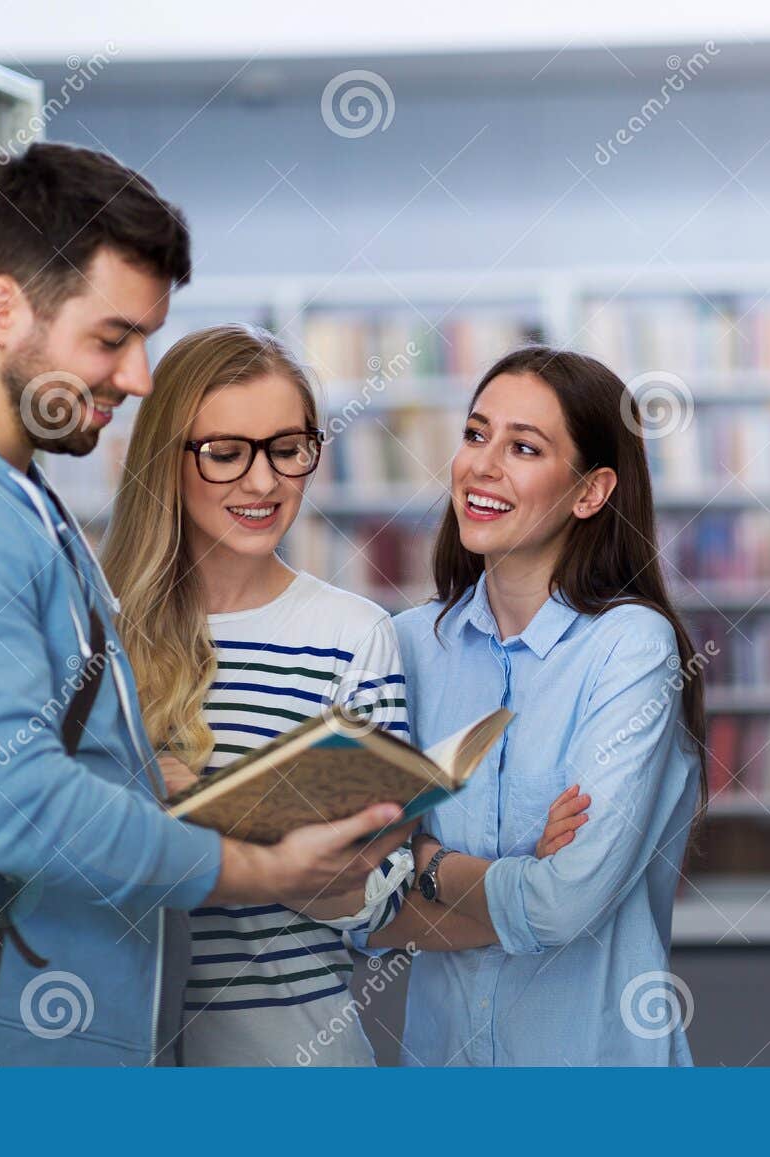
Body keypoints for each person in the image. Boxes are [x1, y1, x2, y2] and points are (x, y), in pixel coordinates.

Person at [0, 142, 410, 1066]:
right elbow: (9, 803)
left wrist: (152, 785)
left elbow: (30, 736)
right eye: (111, 338)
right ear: (0, 309)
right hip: (5, 1034)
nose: (139, 377)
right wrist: (253, 867)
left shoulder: (2, 488)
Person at [100, 323, 589, 1065]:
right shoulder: (94, 625)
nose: (263, 482)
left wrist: (254, 836)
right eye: (227, 453)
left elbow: (378, 897)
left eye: (288, 448)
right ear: (165, 462)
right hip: (109, 1055)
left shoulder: (350, 633)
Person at [360, 346, 704, 1066]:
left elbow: (565, 902)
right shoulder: (406, 646)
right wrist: (516, 870)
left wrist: (421, 864)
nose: (482, 465)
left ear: (590, 491)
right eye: (476, 434)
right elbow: (353, 900)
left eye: (524, 447)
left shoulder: (630, 648)